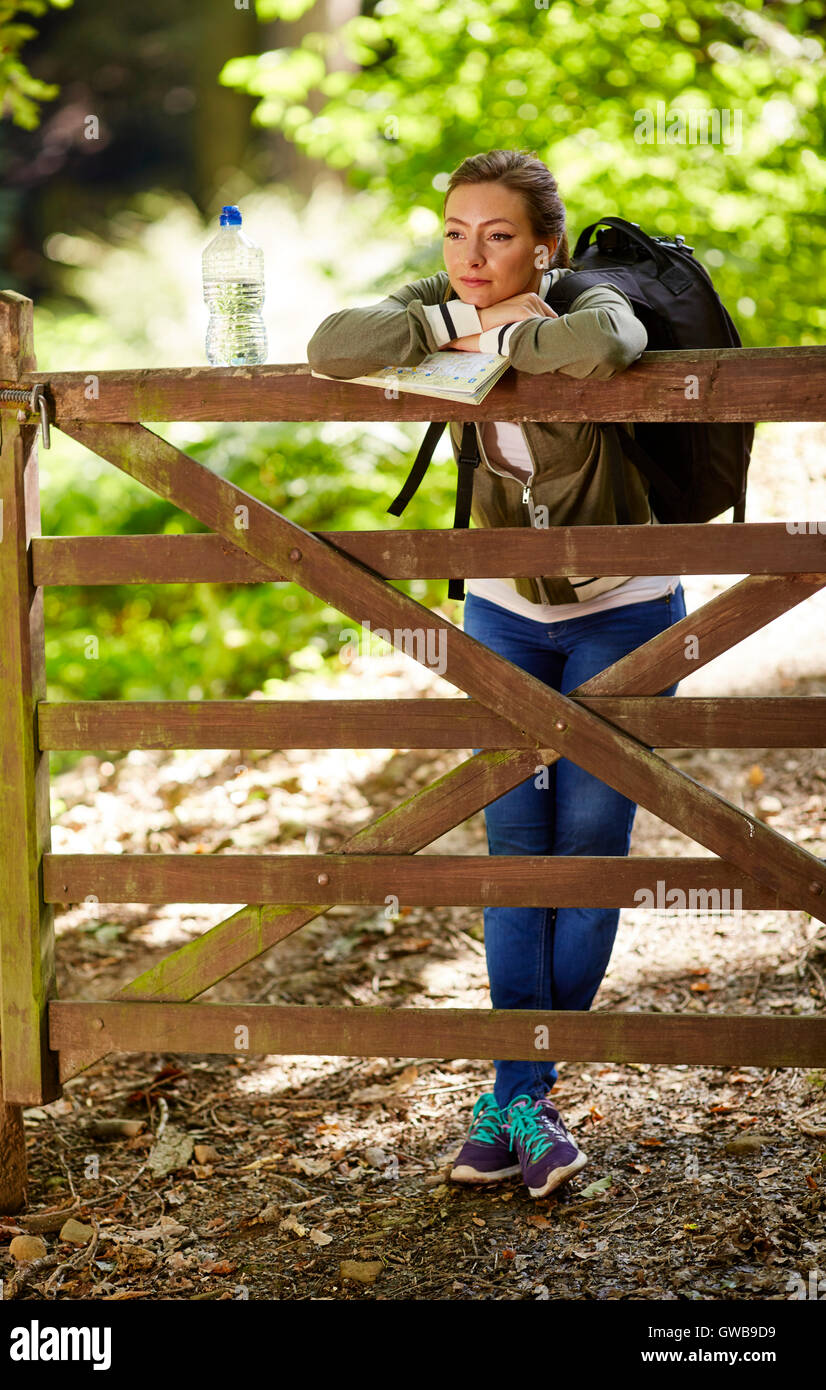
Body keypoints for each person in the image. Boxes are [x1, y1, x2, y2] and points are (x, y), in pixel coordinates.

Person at [307, 148, 687, 1199]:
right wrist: (442, 324)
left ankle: (515, 1098)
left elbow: (604, 342)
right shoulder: (435, 301)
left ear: (544, 244)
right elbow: (329, 344)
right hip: (501, 617)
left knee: (588, 849)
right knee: (512, 854)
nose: (470, 255)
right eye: (454, 233)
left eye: (499, 235)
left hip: (622, 611)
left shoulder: (585, 290)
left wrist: (506, 335)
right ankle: (521, 1098)